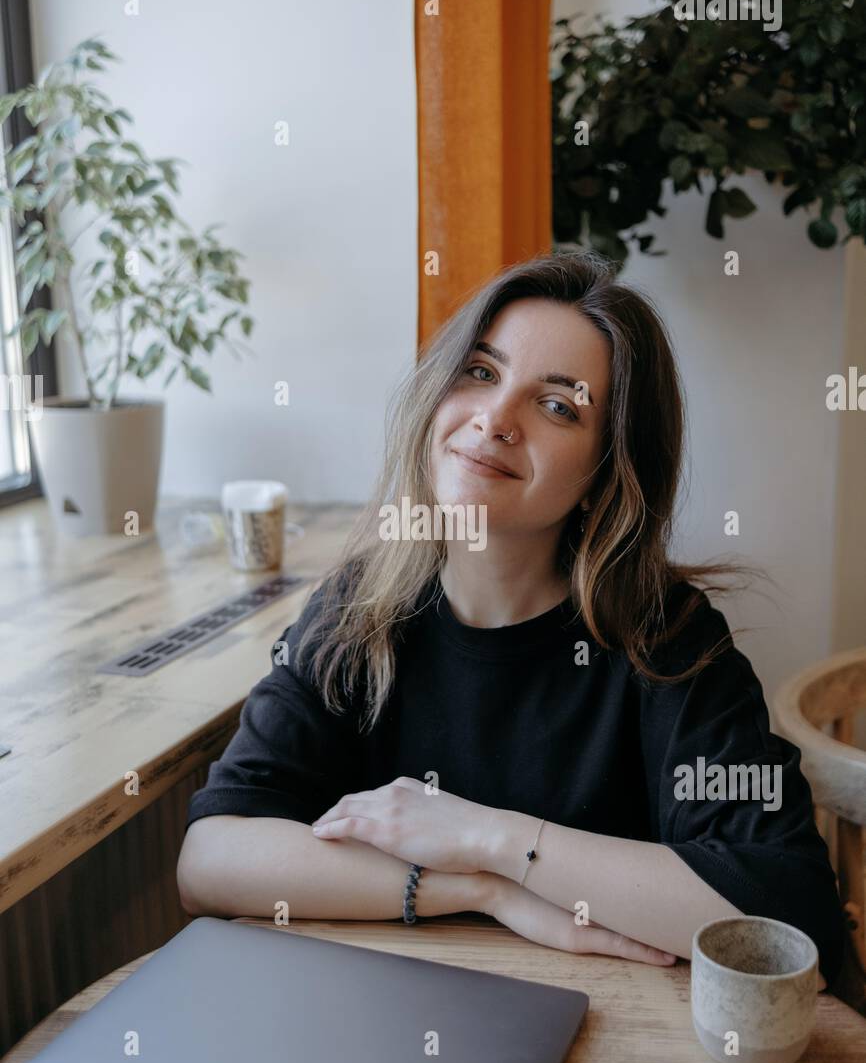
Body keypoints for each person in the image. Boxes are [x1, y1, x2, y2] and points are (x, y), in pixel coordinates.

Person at [176, 249, 847, 989]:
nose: (495, 419)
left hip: (624, 1049)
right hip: (392, 1016)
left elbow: (791, 912)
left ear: (606, 472)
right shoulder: (355, 615)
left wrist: (490, 837)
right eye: (481, 372)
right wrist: (485, 889)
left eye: (558, 406)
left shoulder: (670, 643)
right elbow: (212, 859)